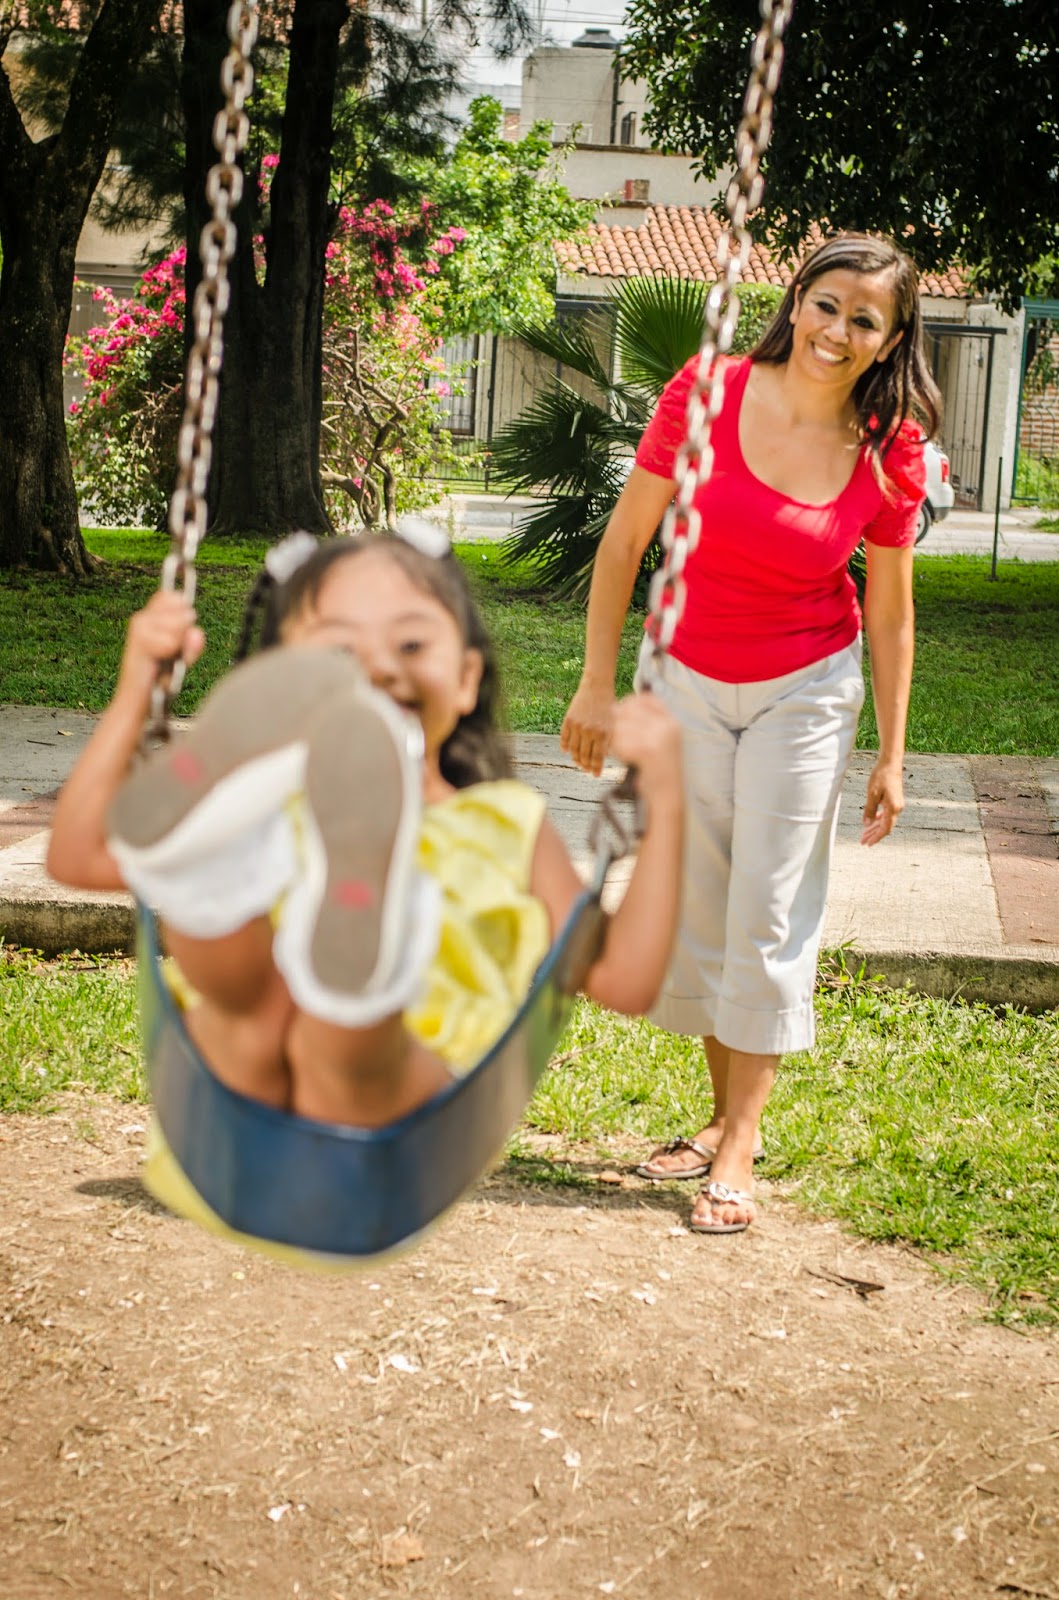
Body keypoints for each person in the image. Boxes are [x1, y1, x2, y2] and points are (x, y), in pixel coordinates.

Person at [47, 530, 684, 1142]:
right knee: (247, 1003)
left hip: (409, 1112)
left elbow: (621, 979)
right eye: (337, 656)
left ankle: (351, 964)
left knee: (339, 1046)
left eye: (410, 645)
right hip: (237, 1083)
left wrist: (667, 794)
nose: (377, 667)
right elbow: (76, 855)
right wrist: (138, 687)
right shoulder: (267, 805)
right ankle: (216, 895)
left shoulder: (504, 824)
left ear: (466, 679)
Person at [561, 232, 941, 1236]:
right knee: (706, 897)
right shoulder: (710, 389)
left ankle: (738, 1144)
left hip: (804, 689)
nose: (838, 329)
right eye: (828, 304)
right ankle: (722, 1116)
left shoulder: (889, 443)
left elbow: (891, 611)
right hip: (683, 674)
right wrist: (598, 684)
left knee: (767, 904)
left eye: (866, 318)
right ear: (798, 300)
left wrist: (894, 754)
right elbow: (625, 540)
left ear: (891, 337)